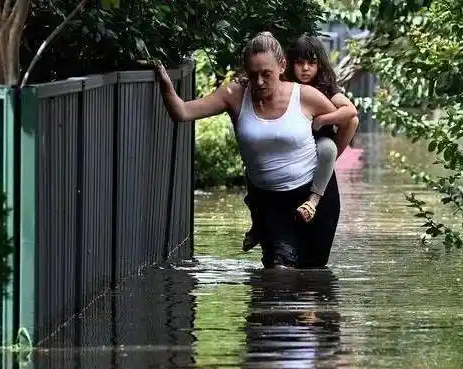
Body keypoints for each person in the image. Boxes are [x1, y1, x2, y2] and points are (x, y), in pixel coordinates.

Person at [152, 31, 342, 269]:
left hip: (315, 197)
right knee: (278, 270)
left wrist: (335, 153)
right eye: (253, 75)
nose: (260, 82)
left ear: (282, 66)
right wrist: (163, 79)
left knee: (312, 273)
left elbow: (345, 121)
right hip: (269, 201)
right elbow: (181, 112)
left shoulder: (305, 95)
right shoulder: (234, 94)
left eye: (266, 74)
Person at [242, 34, 360, 251]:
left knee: (328, 149)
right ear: (288, 64)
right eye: (300, 63)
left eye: (312, 63)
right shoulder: (284, 85)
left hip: (317, 144)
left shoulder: (324, 88)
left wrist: (323, 120)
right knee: (252, 166)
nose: (305, 69)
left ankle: (314, 201)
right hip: (281, 157)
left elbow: (351, 112)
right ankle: (256, 224)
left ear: (320, 65)